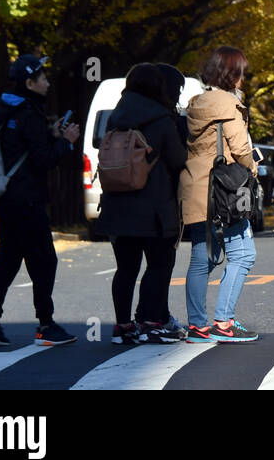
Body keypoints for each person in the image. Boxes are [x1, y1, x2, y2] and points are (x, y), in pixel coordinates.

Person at [0, 55, 82, 347]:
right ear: (29, 82)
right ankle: (46, 325)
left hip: (10, 198)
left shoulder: (6, 109)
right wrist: (66, 142)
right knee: (44, 261)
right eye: (42, 78)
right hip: (29, 199)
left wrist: (50, 135)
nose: (48, 83)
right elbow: (42, 160)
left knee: (6, 261)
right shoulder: (30, 113)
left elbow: (21, 147)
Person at [97, 64, 187, 345]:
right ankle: (151, 323)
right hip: (154, 207)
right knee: (159, 265)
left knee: (126, 268)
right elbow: (177, 160)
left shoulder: (116, 118)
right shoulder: (161, 120)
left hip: (117, 204)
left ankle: (123, 326)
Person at [181, 46, 259, 343]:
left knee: (202, 258)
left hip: (196, 186)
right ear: (232, 73)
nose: (244, 78)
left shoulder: (196, 103)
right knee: (243, 254)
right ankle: (223, 322)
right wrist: (253, 169)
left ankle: (197, 326)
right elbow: (240, 149)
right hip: (226, 189)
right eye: (241, 72)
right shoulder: (228, 105)